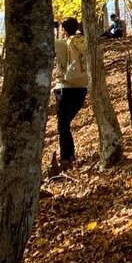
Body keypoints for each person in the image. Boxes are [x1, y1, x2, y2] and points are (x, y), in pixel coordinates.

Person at [53, 16, 89, 170]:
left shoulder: (61, 43)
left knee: (62, 124)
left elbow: (56, 56)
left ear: (64, 29)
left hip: (65, 88)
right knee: (65, 123)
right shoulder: (85, 42)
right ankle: (69, 155)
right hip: (82, 87)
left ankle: (66, 157)